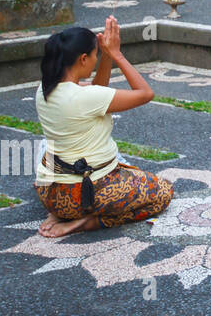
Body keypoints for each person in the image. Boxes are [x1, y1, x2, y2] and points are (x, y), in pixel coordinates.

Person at [34, 16, 173, 238]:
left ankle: (60, 214)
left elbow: (96, 93)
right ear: (82, 59)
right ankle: (84, 223)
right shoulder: (85, 97)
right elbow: (145, 94)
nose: (96, 59)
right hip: (84, 196)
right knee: (163, 193)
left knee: (46, 146)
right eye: (95, 55)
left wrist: (106, 57)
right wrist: (117, 54)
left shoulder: (44, 90)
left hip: (49, 194)